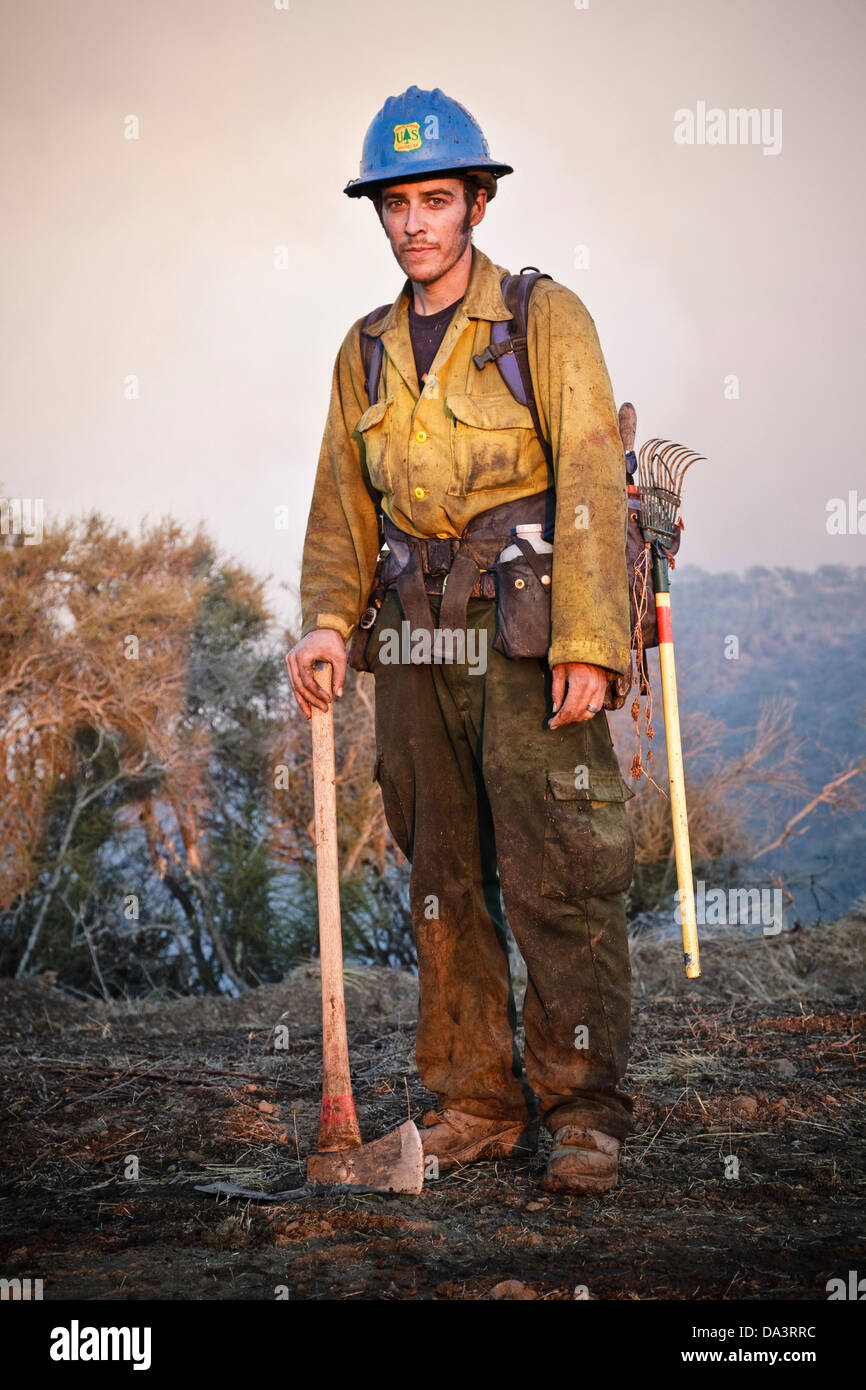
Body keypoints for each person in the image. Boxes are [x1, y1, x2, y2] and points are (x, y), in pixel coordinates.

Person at [287, 86, 636, 1195]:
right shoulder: (366, 351)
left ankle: (582, 1113)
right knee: (442, 877)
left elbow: (587, 480)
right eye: (393, 205)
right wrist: (327, 623)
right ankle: (475, 1103)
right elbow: (341, 508)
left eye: (434, 199)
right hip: (415, 644)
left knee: (558, 872)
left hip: (528, 632)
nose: (412, 224)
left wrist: (590, 640)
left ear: (475, 203)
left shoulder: (543, 318)